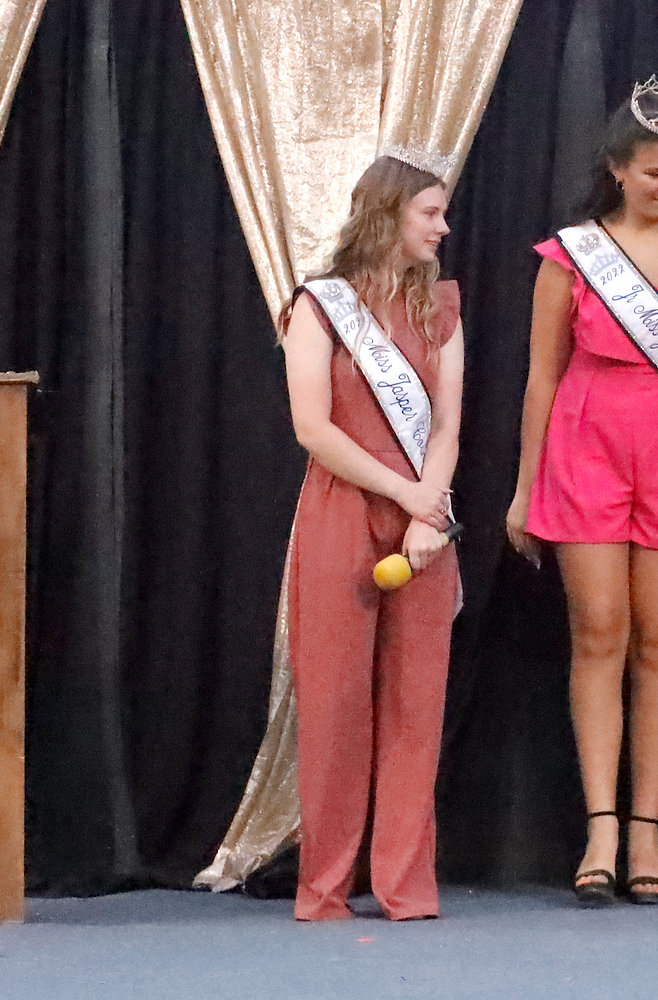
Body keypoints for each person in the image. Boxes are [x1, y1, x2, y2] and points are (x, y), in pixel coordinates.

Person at [505, 78, 658, 904]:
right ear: (615, 168)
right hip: (586, 442)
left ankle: (647, 831)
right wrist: (522, 484)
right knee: (599, 635)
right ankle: (599, 827)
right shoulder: (571, 256)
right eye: (653, 172)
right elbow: (541, 375)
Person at [278, 151, 463, 921]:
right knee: (333, 703)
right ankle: (323, 886)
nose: (443, 228)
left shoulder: (441, 306)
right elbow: (312, 428)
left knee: (418, 702)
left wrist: (429, 513)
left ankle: (405, 885)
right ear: (388, 216)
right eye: (430, 213)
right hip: (342, 506)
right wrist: (408, 495)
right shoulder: (319, 307)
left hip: (424, 513)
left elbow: (449, 423)